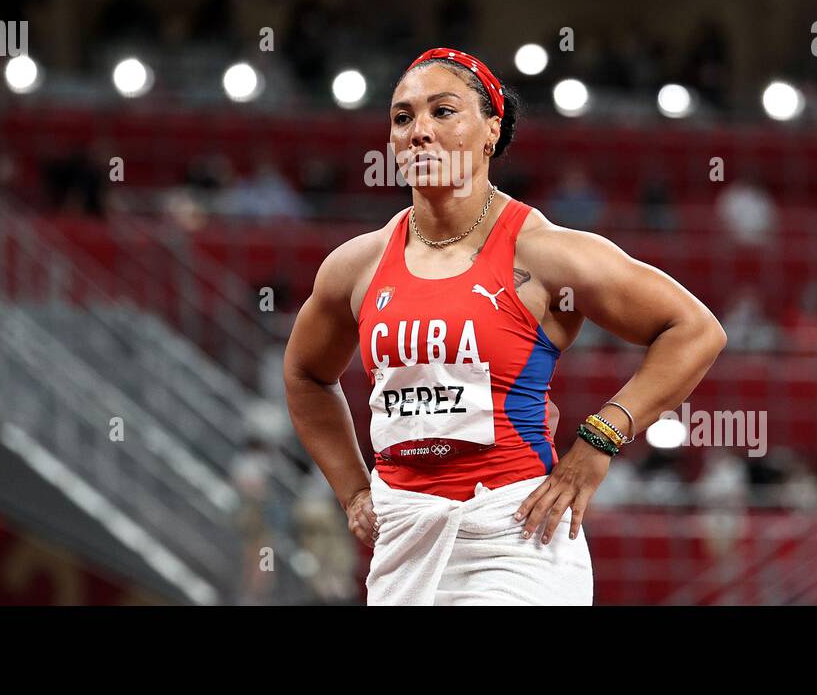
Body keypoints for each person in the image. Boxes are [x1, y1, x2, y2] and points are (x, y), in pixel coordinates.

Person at [282, 47, 728, 605]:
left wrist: (600, 439)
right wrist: (352, 491)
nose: (419, 131)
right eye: (403, 117)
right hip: (405, 540)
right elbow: (305, 373)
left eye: (443, 112)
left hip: (516, 533)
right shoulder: (357, 266)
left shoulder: (543, 254)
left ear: (491, 129)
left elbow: (694, 329)